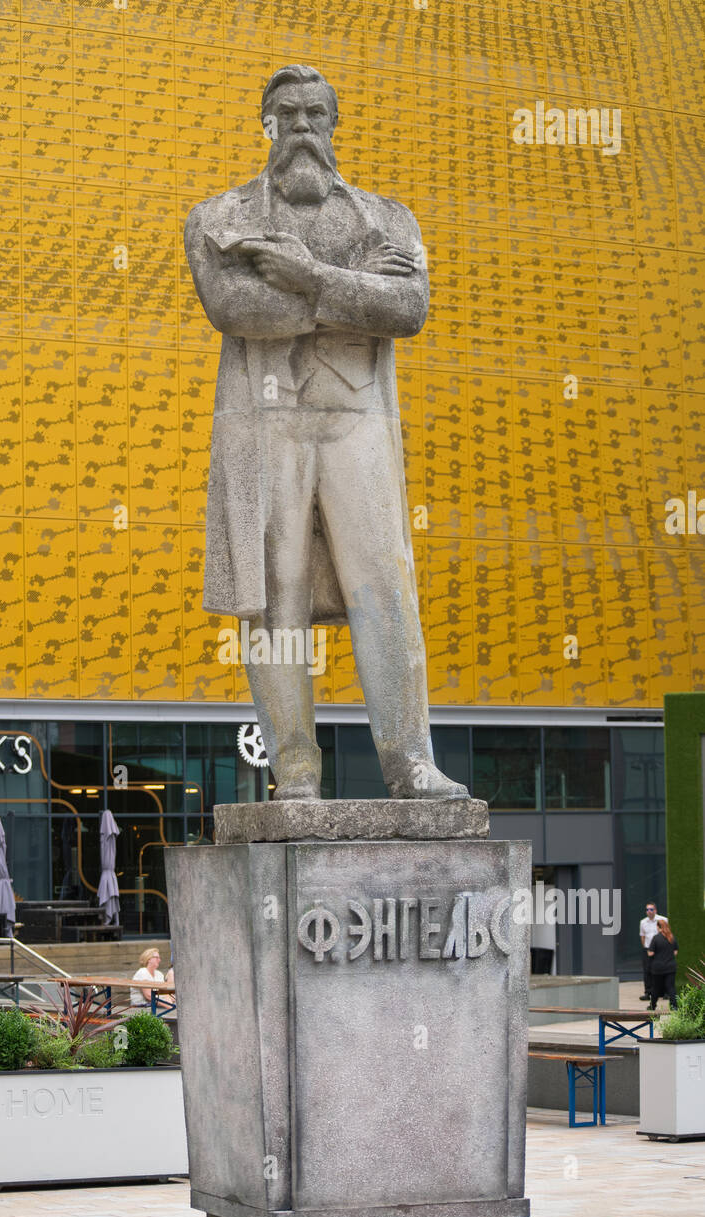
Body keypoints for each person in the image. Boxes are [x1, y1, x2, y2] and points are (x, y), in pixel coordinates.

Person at [184, 65, 468, 802]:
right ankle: (296, 771)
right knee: (273, 595)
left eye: (317, 113)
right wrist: (350, 290)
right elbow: (234, 305)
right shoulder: (220, 216)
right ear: (267, 125)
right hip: (266, 425)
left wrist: (304, 276)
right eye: (288, 114)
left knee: (385, 583)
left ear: (335, 125)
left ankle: (411, 762)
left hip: (356, 423)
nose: (303, 127)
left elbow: (407, 307)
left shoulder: (390, 219)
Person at [647, 919, 678, 1010]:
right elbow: (675, 952)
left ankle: (652, 1006)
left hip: (658, 968)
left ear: (659, 927)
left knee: (655, 988)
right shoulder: (671, 937)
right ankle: (674, 1006)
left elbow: (650, 953)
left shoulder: (656, 938)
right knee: (671, 987)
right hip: (671, 967)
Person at [639, 903, 667, 1001]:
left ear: (655, 910)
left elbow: (667, 934)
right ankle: (648, 993)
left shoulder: (662, 920)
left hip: (660, 950)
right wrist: (646, 948)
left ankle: (665, 992)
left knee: (663, 970)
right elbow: (642, 936)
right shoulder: (643, 922)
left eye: (651, 909)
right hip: (648, 950)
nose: (649, 911)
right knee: (647, 971)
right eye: (647, 909)